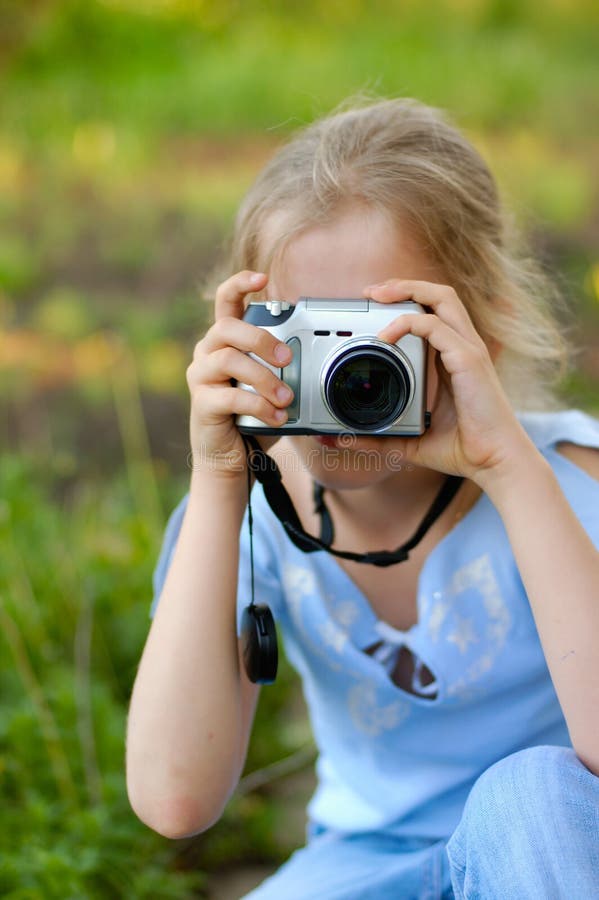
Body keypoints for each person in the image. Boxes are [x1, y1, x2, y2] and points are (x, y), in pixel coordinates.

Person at [125, 97, 599, 898]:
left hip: (553, 857)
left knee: (532, 796)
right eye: (308, 337)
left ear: (481, 326)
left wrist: (507, 468)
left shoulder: (567, 480)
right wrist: (219, 482)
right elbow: (175, 799)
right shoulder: (248, 517)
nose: (350, 380)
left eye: (380, 335)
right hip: (368, 866)